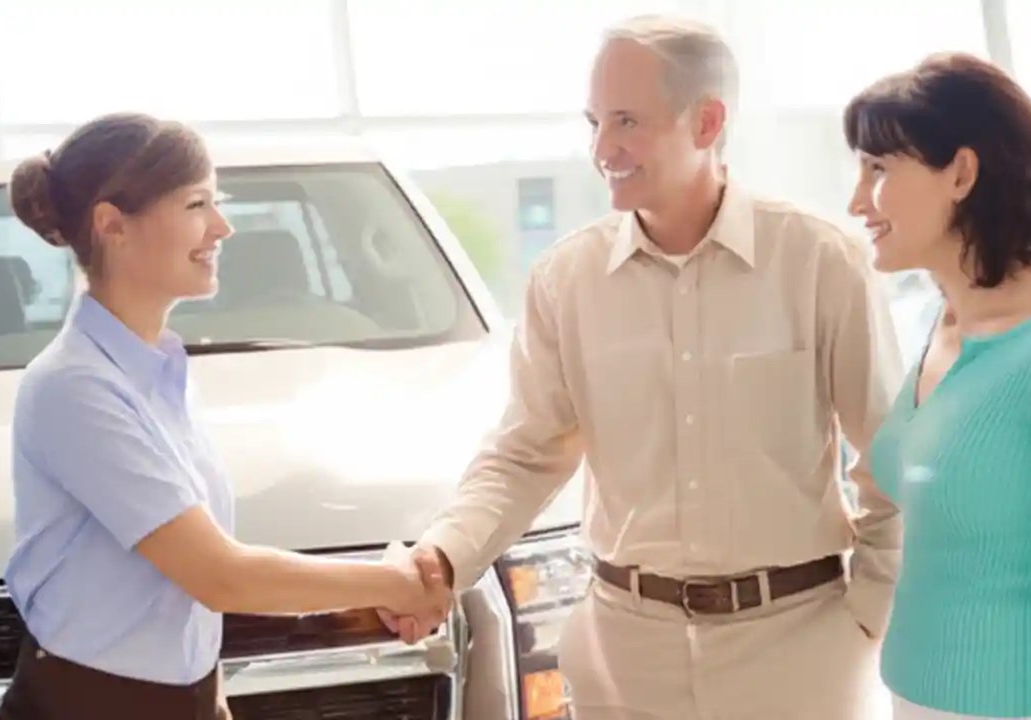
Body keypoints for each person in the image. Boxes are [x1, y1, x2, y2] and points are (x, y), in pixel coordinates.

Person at [384, 15, 905, 720]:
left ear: (708, 121)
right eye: (595, 121)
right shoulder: (566, 281)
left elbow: (893, 460)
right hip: (626, 657)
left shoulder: (820, 261)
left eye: (627, 121)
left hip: (799, 649)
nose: (603, 148)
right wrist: (442, 561)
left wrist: (870, 612)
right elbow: (525, 455)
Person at [0, 112, 449, 720]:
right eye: (196, 204)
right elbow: (221, 577)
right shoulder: (75, 386)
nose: (223, 227)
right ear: (112, 224)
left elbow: (188, 602)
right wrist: (395, 584)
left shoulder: (157, 373)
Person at [846, 53, 1031, 720]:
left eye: (878, 169)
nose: (857, 200)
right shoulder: (944, 321)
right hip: (912, 695)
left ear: (961, 172)